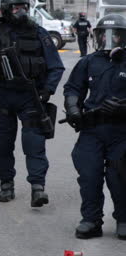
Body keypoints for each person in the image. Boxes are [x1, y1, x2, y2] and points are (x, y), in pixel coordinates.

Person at [0, 0, 65, 207]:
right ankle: (6, 184)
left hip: (30, 97)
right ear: (6, 10)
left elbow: (56, 67)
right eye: (16, 8)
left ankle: (37, 188)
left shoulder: (39, 33)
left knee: (34, 143)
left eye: (24, 7)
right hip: (2, 96)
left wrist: (47, 90)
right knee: (2, 144)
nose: (21, 12)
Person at [61, 13, 126, 240]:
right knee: (89, 174)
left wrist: (122, 108)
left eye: (115, 35)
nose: (109, 39)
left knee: (120, 176)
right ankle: (91, 219)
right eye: (104, 34)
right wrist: (72, 108)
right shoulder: (88, 61)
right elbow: (72, 89)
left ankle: (124, 218)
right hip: (93, 129)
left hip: (121, 131)